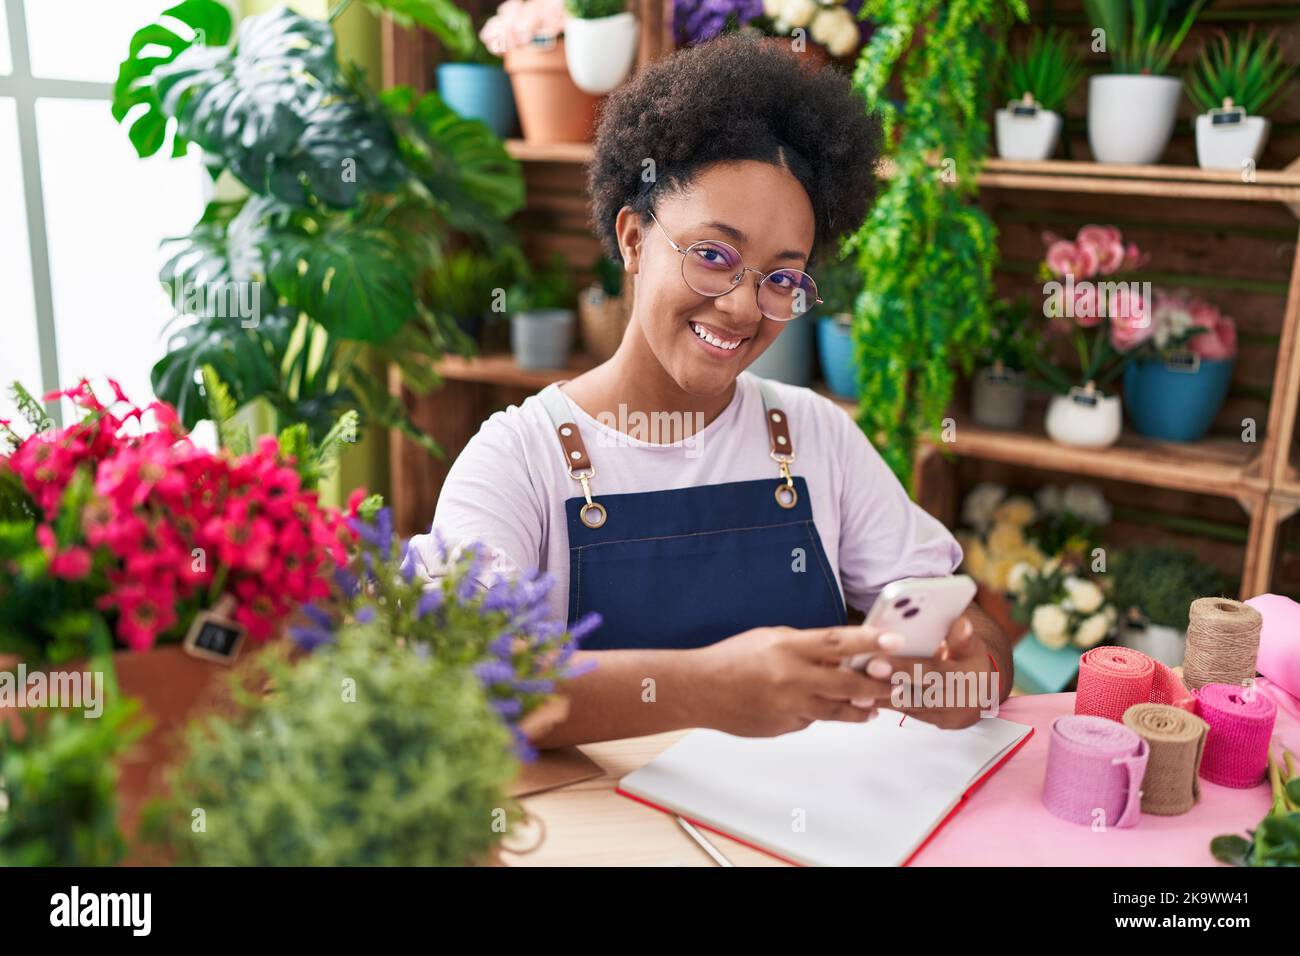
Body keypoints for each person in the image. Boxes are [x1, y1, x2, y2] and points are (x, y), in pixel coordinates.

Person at [405, 35, 1012, 747]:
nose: (743, 307)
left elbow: (987, 650)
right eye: (714, 257)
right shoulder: (518, 459)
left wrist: (955, 678)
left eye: (781, 278)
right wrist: (709, 689)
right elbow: (475, 682)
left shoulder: (815, 437)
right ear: (633, 239)